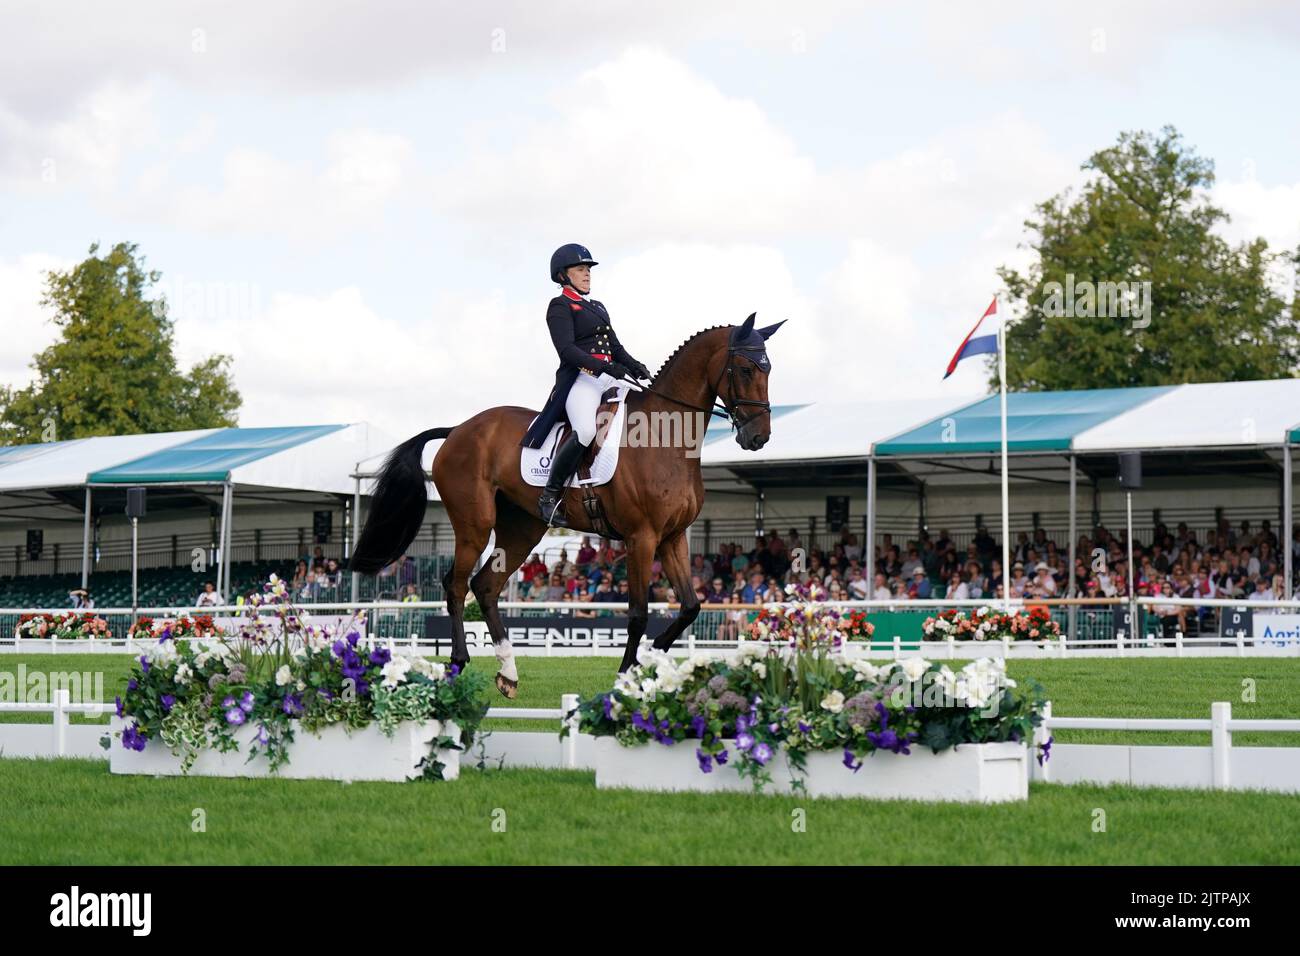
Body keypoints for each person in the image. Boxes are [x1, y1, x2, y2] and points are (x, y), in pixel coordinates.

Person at [526, 244, 652, 527]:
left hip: (608, 379)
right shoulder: (560, 306)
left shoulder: (597, 307)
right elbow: (567, 350)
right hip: (581, 380)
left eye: (588, 270)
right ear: (563, 275)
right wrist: (605, 367)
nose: (587, 275)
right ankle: (549, 495)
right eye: (581, 269)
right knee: (585, 429)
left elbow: (615, 347)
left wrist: (635, 365)